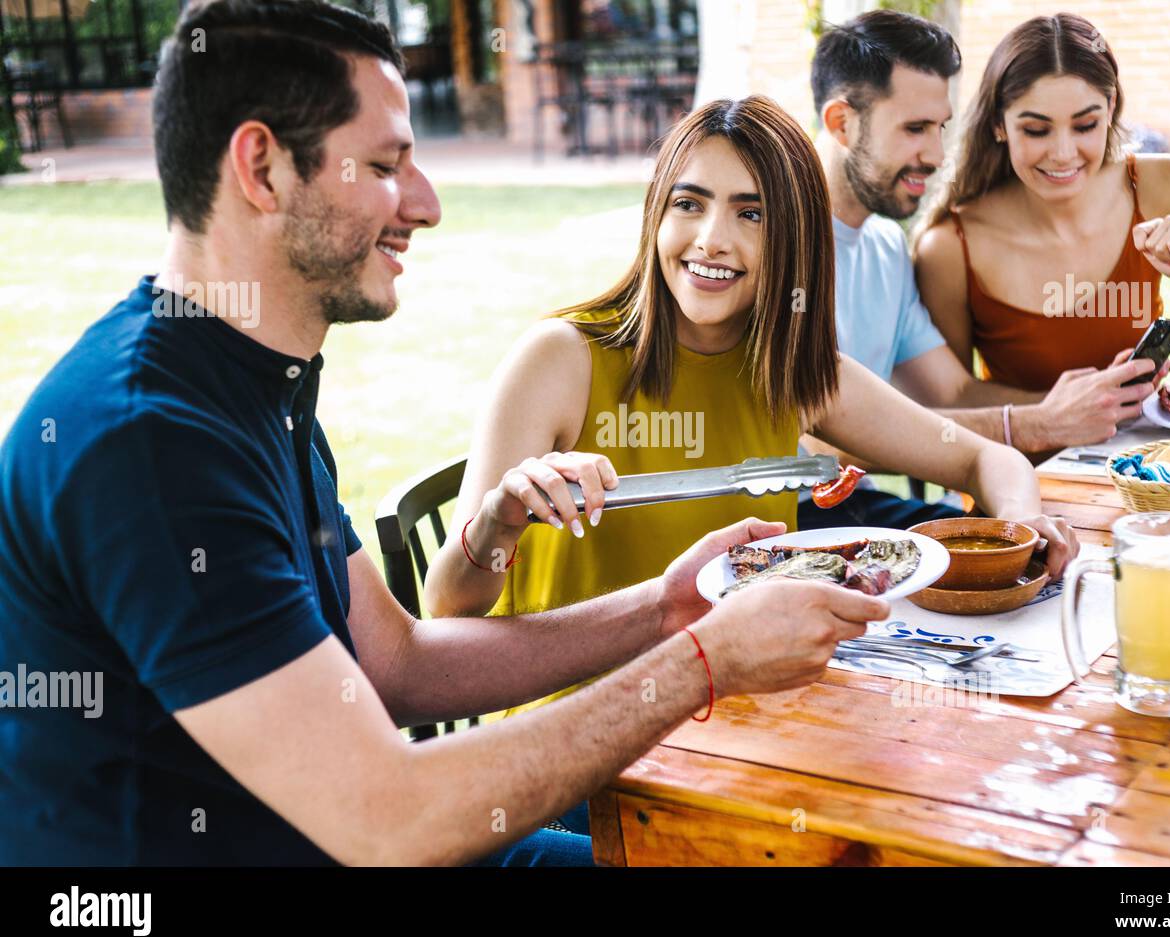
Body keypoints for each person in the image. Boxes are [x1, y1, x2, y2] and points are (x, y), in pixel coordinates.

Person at [0, 0, 892, 867]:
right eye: (386, 166)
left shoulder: (249, 381)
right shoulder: (152, 443)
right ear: (262, 168)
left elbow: (395, 662)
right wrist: (703, 662)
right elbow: (389, 823)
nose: (425, 204)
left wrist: (665, 608)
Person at [421, 94, 1081, 717]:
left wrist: (1025, 521)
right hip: (580, 741)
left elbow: (983, 460)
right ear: (657, 215)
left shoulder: (790, 373)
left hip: (737, 712)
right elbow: (446, 614)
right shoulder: (559, 359)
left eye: (751, 212)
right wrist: (495, 526)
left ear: (794, 239)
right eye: (689, 203)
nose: (710, 238)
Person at [803, 9, 1170, 532]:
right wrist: (1038, 422)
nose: (935, 156)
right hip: (773, 515)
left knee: (1085, 546)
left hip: (847, 506)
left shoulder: (887, 247)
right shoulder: (772, 245)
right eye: (915, 129)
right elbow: (824, 439)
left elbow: (952, 392)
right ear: (842, 124)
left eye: (940, 129)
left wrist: (1098, 403)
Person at [914, 12, 1170, 394]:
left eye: (1085, 125)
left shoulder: (1159, 184)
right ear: (997, 124)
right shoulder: (948, 248)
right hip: (1028, 456)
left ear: (1110, 108)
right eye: (1036, 130)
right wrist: (1060, 413)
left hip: (1146, 452)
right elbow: (950, 402)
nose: (1062, 152)